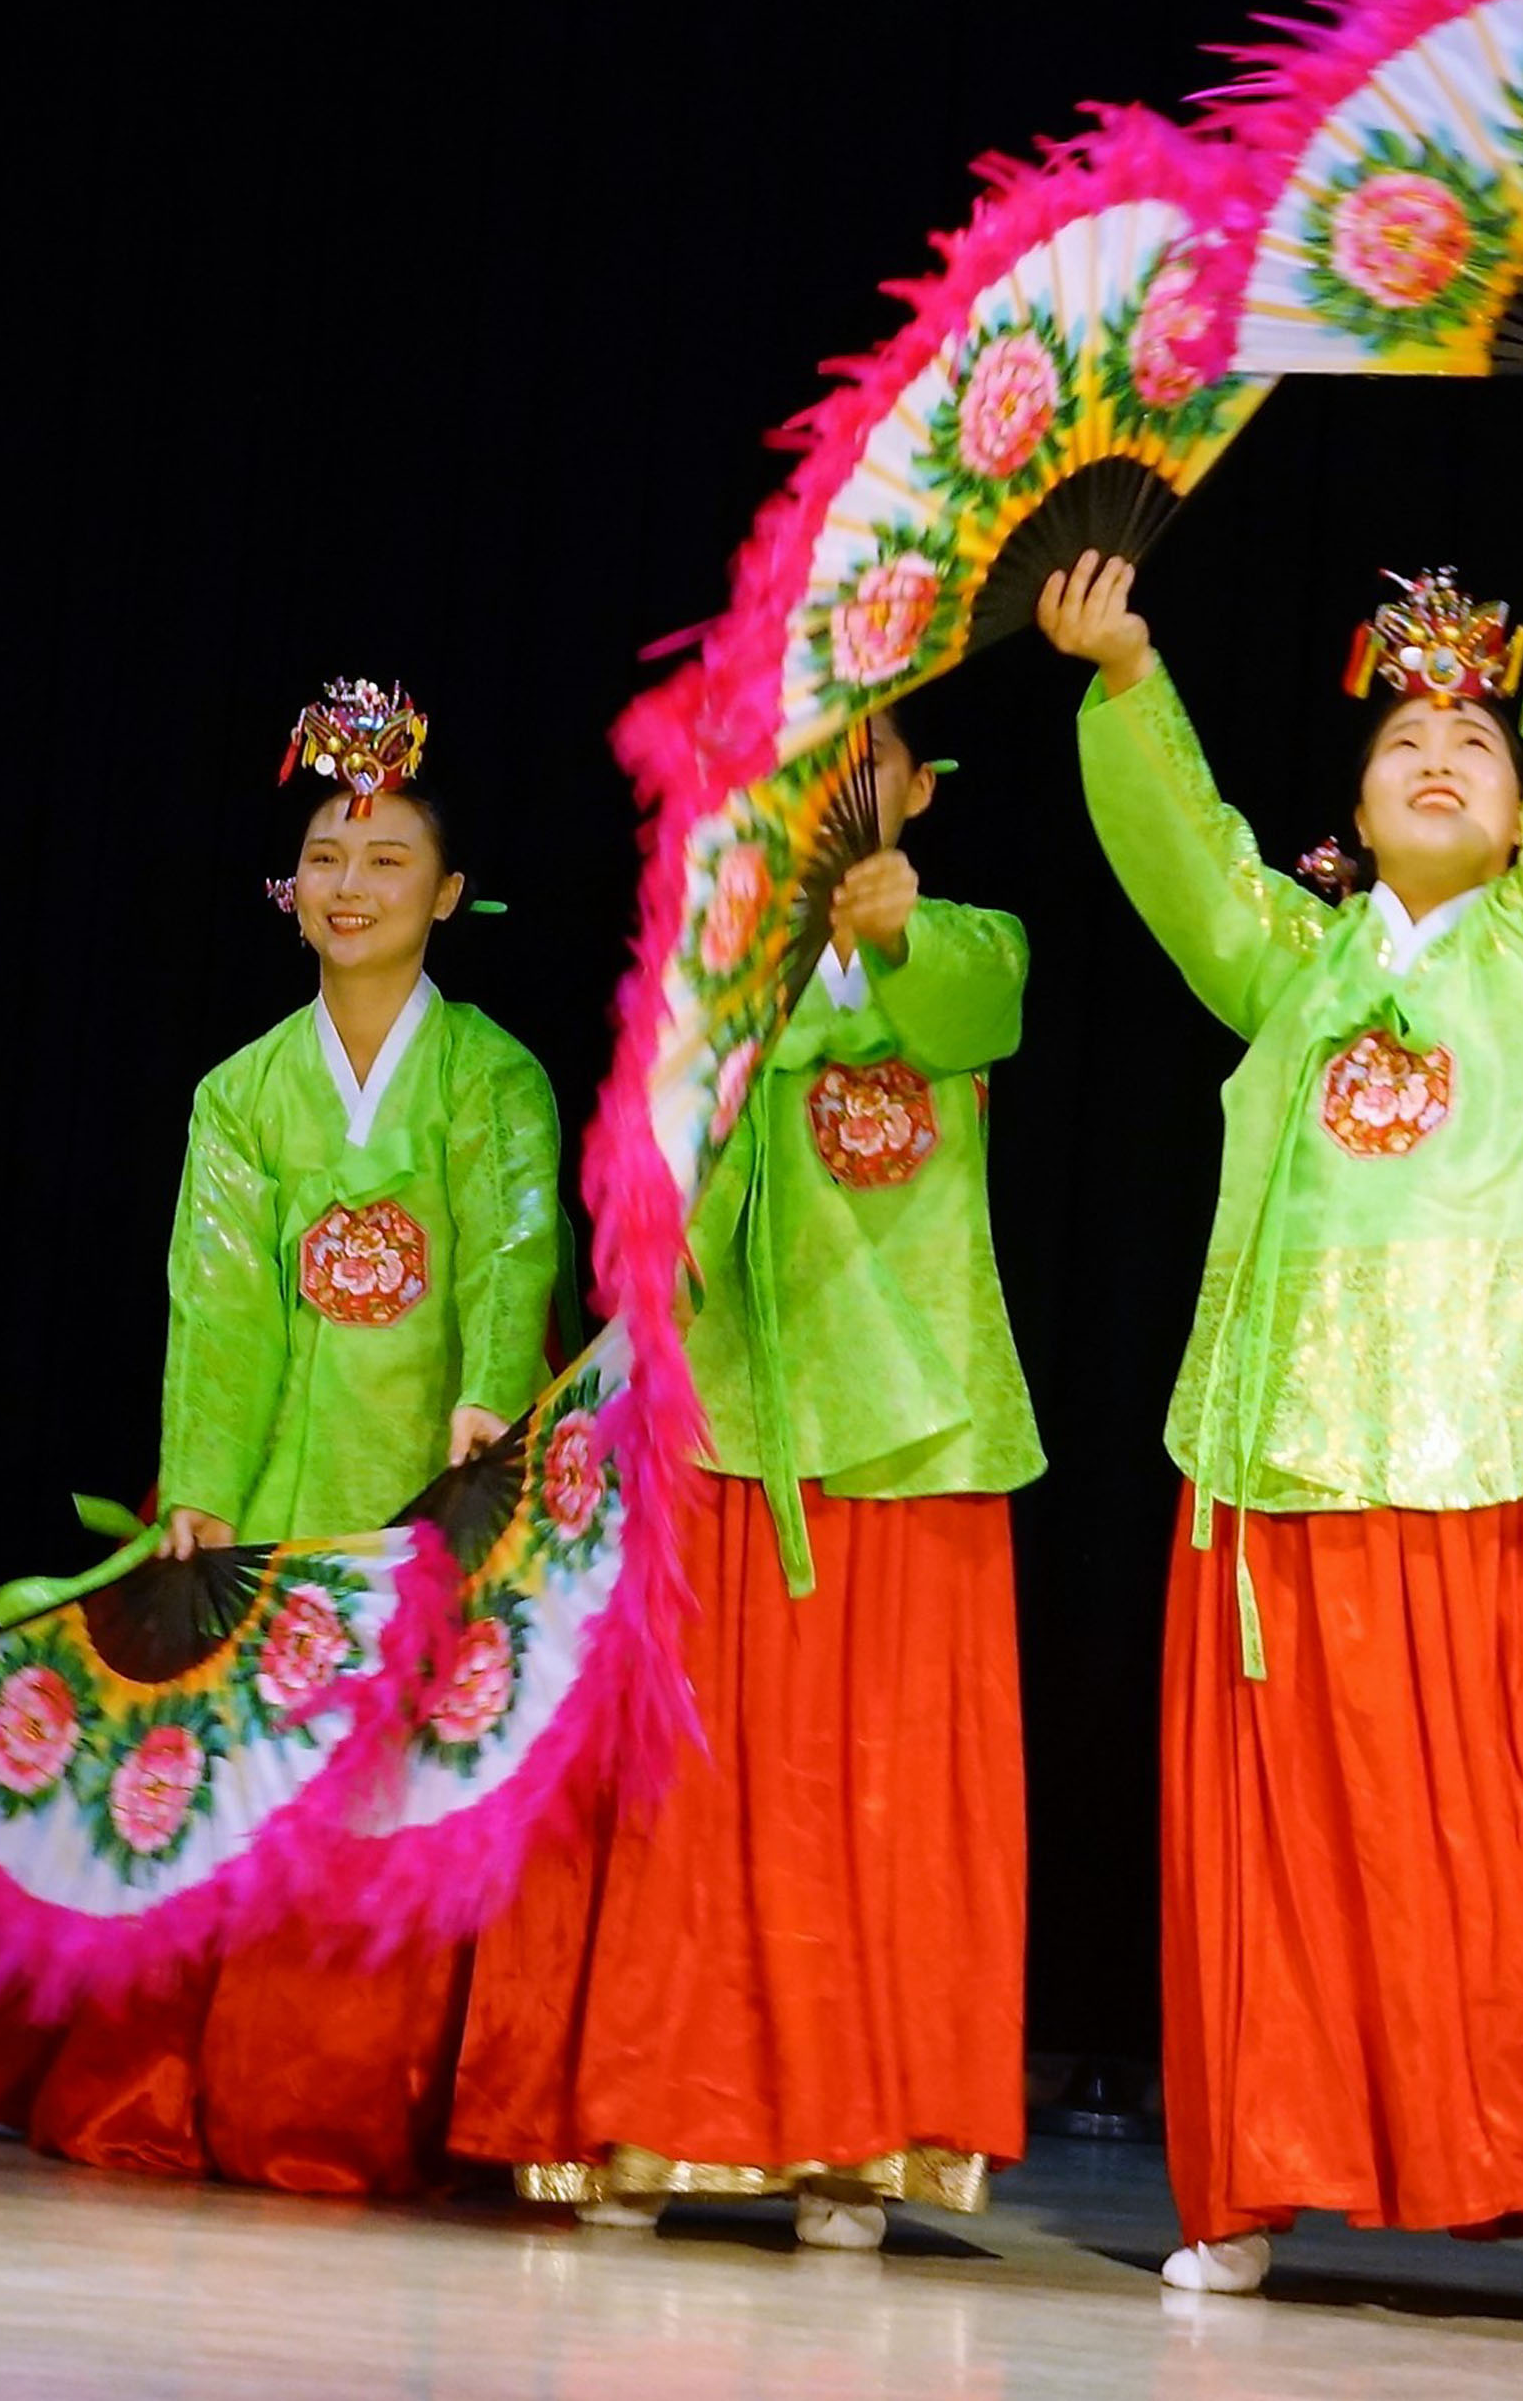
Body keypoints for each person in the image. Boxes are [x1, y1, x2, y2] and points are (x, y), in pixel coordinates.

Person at [1036, 326, 1523, 2293]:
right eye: (1404, 738)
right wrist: (1134, 682)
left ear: (1519, 811)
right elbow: (1180, 863)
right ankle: (1254, 2176)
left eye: (1477, 744)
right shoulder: (1298, 965)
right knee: (1296, 1855)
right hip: (1290, 1465)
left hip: (1515, 1458)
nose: (1438, 753)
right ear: (1355, 789)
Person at [0, 682, 562, 2192]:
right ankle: (187, 2093)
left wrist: (489, 1389)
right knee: (242, 1799)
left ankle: (356, 2106)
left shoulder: (493, 1078)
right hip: (271, 1483)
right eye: (329, 858)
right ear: (289, 890)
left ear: (449, 895)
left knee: (390, 1815)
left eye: (390, 860)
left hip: (432, 1489)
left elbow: (512, 1247)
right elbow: (216, 1306)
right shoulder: (241, 1096)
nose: (353, 887)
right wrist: (199, 1487)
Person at [451, 700, 1038, 2250]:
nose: (847, 787)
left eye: (878, 757)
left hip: (919, 1430)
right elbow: (642, 1210)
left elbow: (975, 1008)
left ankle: (864, 2141)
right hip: (726, 1426)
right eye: (812, 761)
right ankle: (661, 2118)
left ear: (920, 784)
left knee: (886, 1799)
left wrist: (893, 938)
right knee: (697, 1795)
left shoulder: (971, 947)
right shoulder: (704, 985)